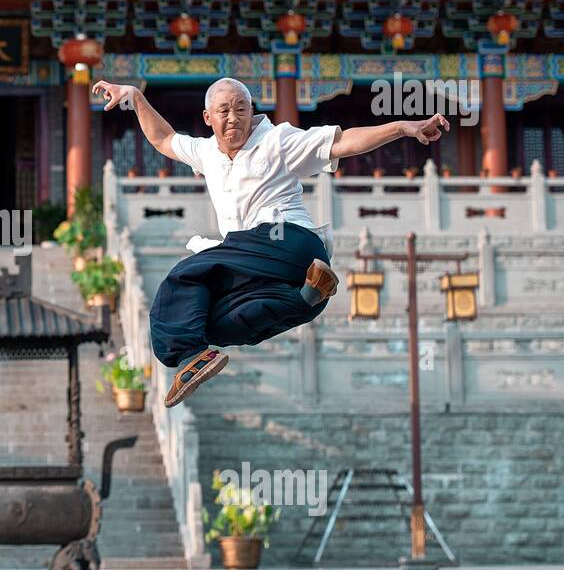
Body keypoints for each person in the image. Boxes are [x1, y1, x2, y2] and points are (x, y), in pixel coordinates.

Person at [92, 77, 449, 408]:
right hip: (284, 271)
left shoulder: (277, 141)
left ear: (252, 111)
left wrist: (405, 127)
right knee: (219, 322)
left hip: (288, 240)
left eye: (241, 109)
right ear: (207, 117)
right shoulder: (205, 153)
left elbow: (342, 142)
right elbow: (163, 139)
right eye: (224, 111)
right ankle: (306, 297)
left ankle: (187, 355)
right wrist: (136, 97)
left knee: (183, 277)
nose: (233, 119)